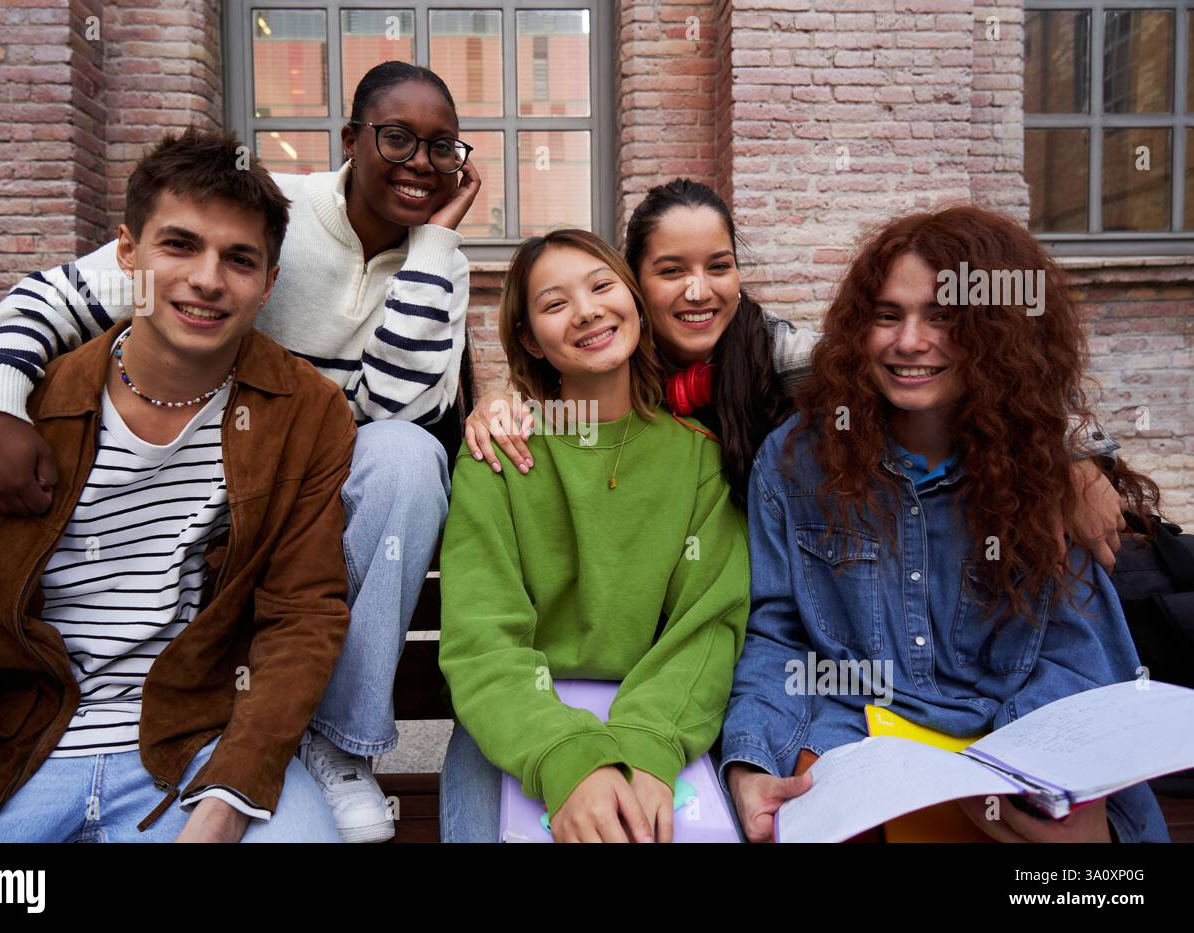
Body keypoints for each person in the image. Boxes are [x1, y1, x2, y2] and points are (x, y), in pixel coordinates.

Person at [0, 61, 480, 842]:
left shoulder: (441, 270)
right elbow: (56, 298)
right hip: (155, 518)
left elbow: (396, 409)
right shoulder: (265, 214)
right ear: (350, 139)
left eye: (443, 149)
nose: (419, 161)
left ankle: (336, 743)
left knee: (405, 457)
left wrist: (434, 245)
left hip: (292, 490)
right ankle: (40, 665)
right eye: (397, 137)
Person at [719, 205, 1169, 843]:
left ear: (996, 332)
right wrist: (750, 759)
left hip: (1013, 748)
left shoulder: (1045, 472)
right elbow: (778, 636)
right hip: (855, 742)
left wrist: (1070, 789)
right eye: (887, 315)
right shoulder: (798, 462)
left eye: (943, 317)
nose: (909, 341)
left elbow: (1080, 659)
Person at [461, 179, 1130, 569]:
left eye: (718, 266)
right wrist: (498, 399)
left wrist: (1076, 454)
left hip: (765, 593)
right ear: (633, 283)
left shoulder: (781, 355)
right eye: (672, 271)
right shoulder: (607, 369)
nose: (700, 291)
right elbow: (546, 400)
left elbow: (954, 366)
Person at [438, 229, 750, 843]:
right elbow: (482, 639)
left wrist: (648, 747)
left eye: (603, 286)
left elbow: (707, 629)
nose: (586, 311)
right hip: (517, 723)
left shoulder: (700, 461)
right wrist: (565, 756)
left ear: (633, 300)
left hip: (661, 720)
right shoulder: (498, 454)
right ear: (529, 336)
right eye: (555, 304)